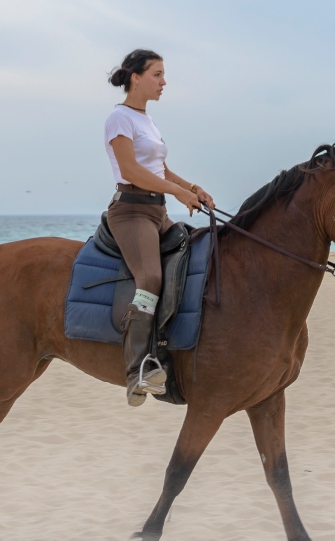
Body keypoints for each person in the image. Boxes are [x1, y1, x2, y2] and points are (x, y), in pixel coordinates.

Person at [104, 49, 216, 407]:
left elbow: (160, 171)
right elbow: (134, 172)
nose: (164, 82)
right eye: (157, 74)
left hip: (157, 212)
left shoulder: (147, 121)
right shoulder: (119, 119)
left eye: (163, 75)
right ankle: (137, 371)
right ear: (136, 77)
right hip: (132, 212)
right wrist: (180, 192)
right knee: (150, 279)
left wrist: (192, 187)